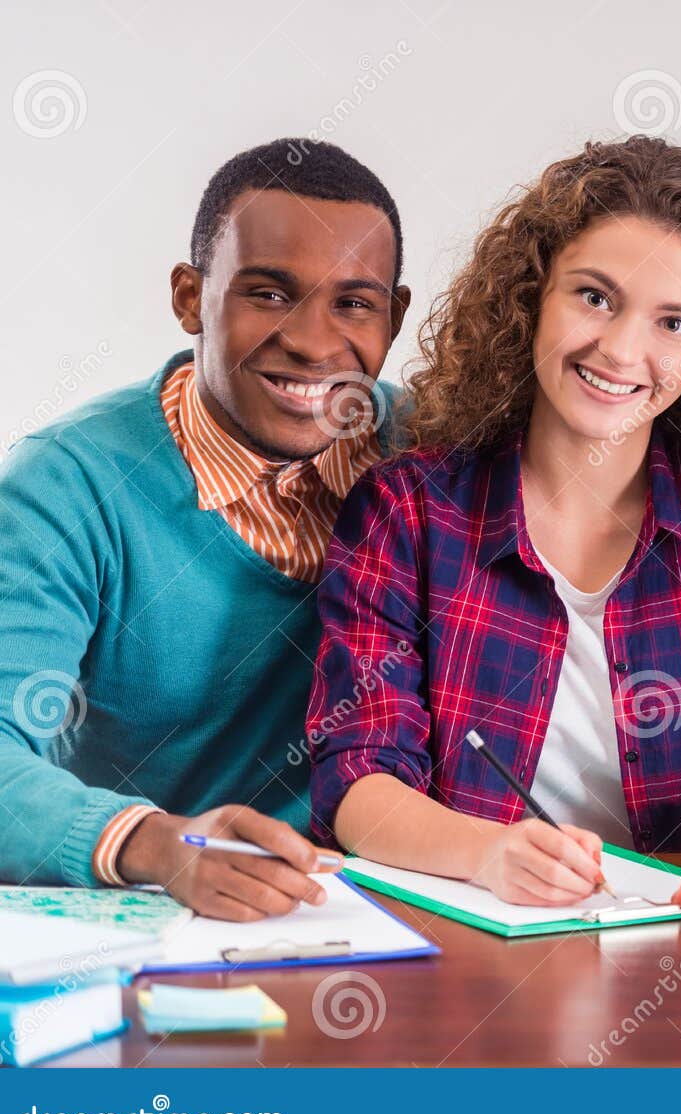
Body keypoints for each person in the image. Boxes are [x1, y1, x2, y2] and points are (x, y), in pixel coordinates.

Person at [310, 136, 681, 917]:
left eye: (675, 324)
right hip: (471, 947)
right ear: (532, 298)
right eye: (593, 297)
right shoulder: (409, 509)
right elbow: (358, 770)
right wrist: (485, 852)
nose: (622, 349)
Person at [0, 139, 410, 919]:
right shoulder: (66, 486)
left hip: (388, 922)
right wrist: (163, 846)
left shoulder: (424, 456)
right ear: (191, 297)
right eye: (268, 293)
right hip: (157, 924)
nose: (313, 342)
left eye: (353, 303)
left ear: (395, 314)